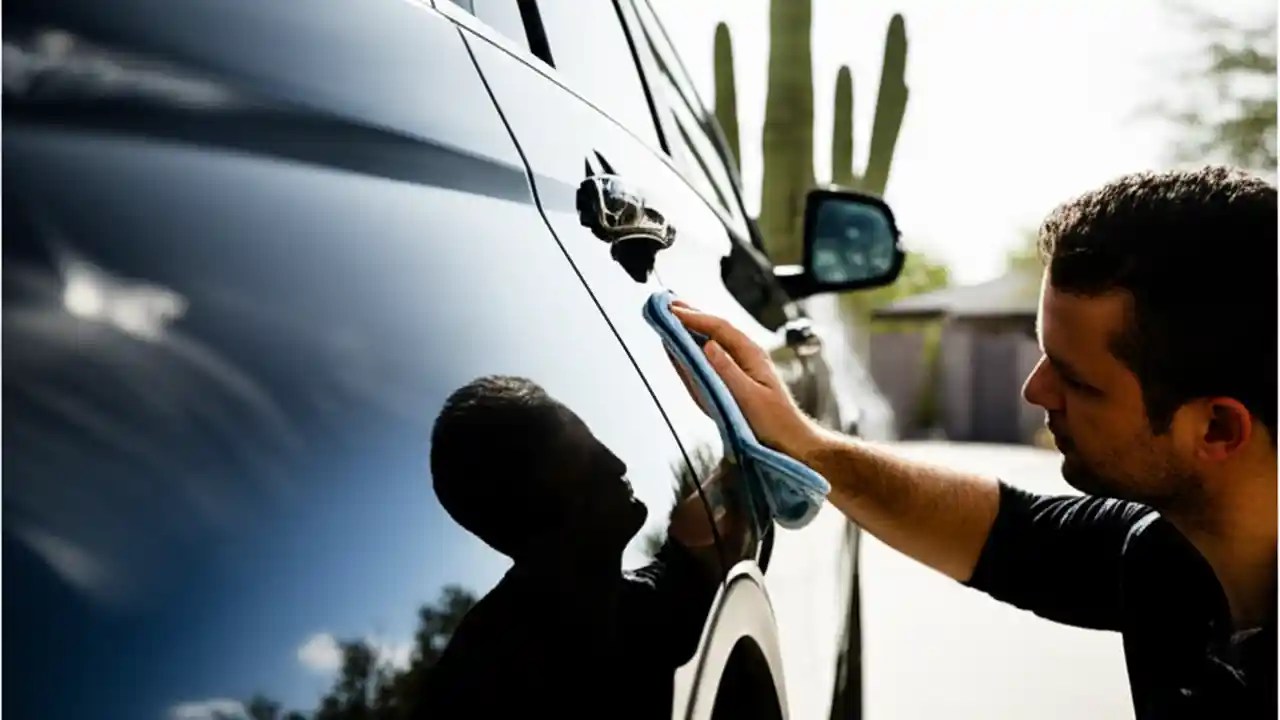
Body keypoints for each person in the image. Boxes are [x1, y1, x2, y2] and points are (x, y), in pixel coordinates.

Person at [669, 166, 1277, 718]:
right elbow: (1003, 531)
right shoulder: (1169, 558)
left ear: (1218, 429)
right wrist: (804, 445)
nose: (1035, 391)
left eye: (1077, 381)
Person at [420, 375, 740, 718]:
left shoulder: (610, 605)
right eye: (579, 451)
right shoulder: (487, 683)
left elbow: (672, 574)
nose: (617, 462)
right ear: (530, 505)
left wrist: (733, 470)